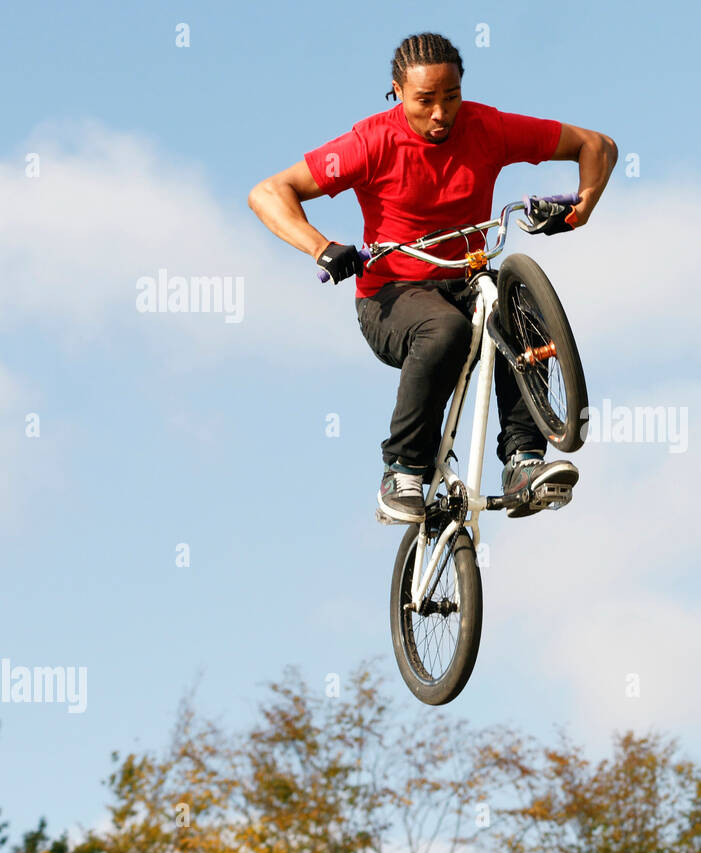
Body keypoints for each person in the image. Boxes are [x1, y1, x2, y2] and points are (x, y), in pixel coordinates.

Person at [248, 32, 617, 523]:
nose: (441, 114)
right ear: (398, 93)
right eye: (425, 101)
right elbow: (269, 192)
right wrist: (322, 247)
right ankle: (402, 470)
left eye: (451, 98)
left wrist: (581, 208)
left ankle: (523, 462)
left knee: (517, 310)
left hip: (466, 280)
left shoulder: (489, 127)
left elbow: (597, 145)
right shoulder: (371, 142)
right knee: (444, 330)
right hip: (390, 294)